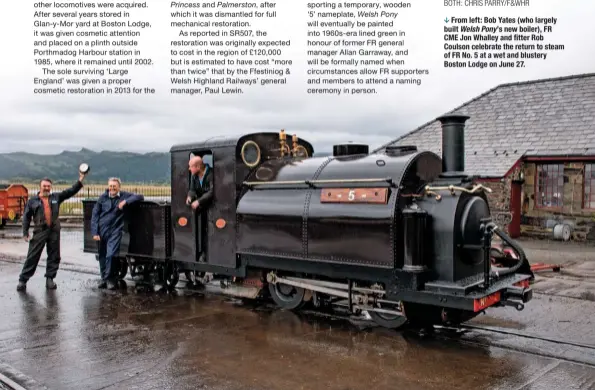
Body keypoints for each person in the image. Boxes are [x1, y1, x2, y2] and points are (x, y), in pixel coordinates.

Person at [17, 171, 86, 291]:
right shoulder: (32, 201)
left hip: (54, 230)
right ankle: (23, 280)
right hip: (40, 231)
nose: (46, 188)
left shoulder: (56, 197)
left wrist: (80, 180)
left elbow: (70, 191)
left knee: (54, 256)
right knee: (32, 256)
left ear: (51, 187)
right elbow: (26, 218)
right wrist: (25, 232)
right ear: (40, 186)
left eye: (48, 186)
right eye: (44, 186)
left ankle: (50, 279)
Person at [91, 177, 144, 290]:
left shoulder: (124, 196)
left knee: (111, 255)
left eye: (114, 186)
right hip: (102, 229)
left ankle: (111, 279)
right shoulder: (102, 198)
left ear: (119, 187)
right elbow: (95, 215)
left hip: (115, 230)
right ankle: (104, 279)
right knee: (102, 255)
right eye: (110, 186)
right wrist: (95, 232)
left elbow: (140, 196)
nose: (112, 188)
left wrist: (126, 202)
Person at [184, 156, 214, 285]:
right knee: (201, 232)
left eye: (190, 166)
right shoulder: (194, 176)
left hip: (212, 208)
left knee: (210, 233)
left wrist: (199, 201)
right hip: (201, 209)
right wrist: (190, 197)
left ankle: (209, 256)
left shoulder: (211, 174)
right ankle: (202, 255)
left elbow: (213, 191)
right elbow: (192, 189)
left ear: (197, 167)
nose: (189, 169)